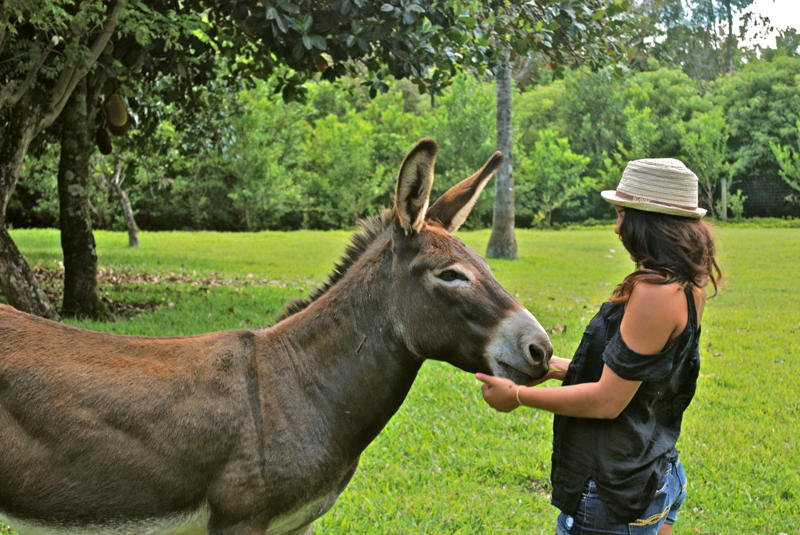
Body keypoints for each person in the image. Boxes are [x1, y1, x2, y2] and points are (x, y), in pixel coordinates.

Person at [477, 158, 722, 535]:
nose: (617, 226)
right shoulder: (689, 285)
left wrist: (517, 396)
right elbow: (639, 375)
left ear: (648, 223)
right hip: (658, 469)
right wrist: (554, 367)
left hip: (617, 490)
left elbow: (608, 401)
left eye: (623, 213)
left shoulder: (655, 294)